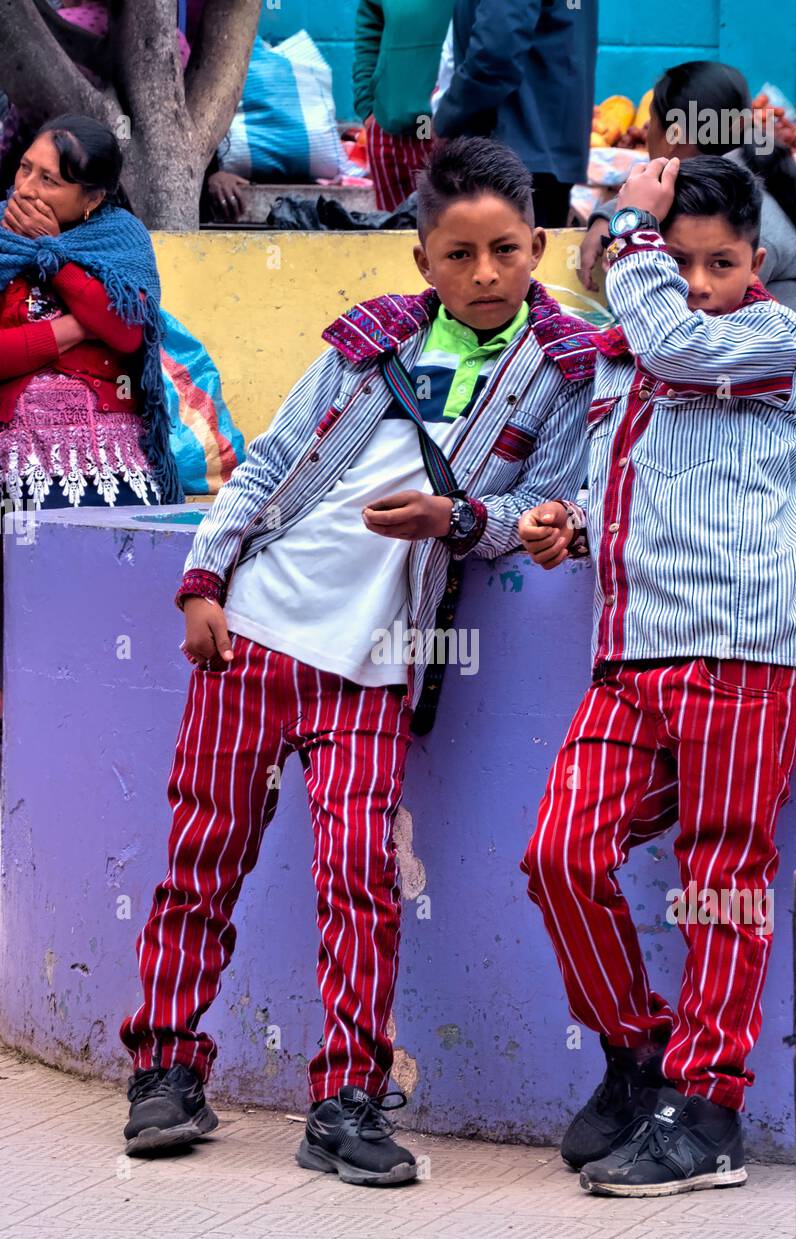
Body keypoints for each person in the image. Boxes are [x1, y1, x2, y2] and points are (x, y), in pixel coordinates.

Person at [119, 137, 596, 1183]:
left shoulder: (563, 371)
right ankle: (162, 1073)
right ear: (421, 257)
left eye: (506, 252)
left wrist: (458, 516)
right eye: (458, 254)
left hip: (376, 663)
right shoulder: (367, 341)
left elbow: (544, 509)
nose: (483, 275)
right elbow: (272, 465)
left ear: (537, 248)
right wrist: (203, 581)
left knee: (361, 880)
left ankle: (343, 1102)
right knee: (203, 860)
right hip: (258, 634)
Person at [519, 155, 796, 1197]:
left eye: (721, 261)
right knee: (558, 852)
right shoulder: (624, 353)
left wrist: (633, 227)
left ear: (755, 262)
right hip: (631, 651)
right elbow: (612, 462)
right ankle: (640, 1055)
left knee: (719, 882)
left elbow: (674, 338)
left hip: (746, 647)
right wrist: (568, 512)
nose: (697, 279)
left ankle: (708, 1111)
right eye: (682, 258)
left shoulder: (769, 337)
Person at [579, 61, 796, 371]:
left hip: (782, 386)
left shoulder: (735, 217)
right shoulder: (732, 189)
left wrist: (628, 224)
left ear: (673, 135)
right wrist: (607, 217)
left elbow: (673, 340)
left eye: (652, 121)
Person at [0, 113, 181, 509]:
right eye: (24, 168)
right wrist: (78, 327)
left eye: (49, 180)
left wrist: (54, 254)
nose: (26, 190)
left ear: (92, 199)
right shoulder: (2, 238)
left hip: (115, 454)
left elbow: (127, 332)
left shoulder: (120, 241)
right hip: (15, 452)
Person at [433, 0, 598, 228]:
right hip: (540, 149)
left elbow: (494, 55)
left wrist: (447, 118)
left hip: (507, 153)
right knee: (537, 254)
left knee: (503, 257)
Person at [353, 0, 453, 212]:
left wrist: (448, 116)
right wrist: (368, 108)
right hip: (385, 124)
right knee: (392, 235)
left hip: (432, 126)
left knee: (443, 234)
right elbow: (368, 32)